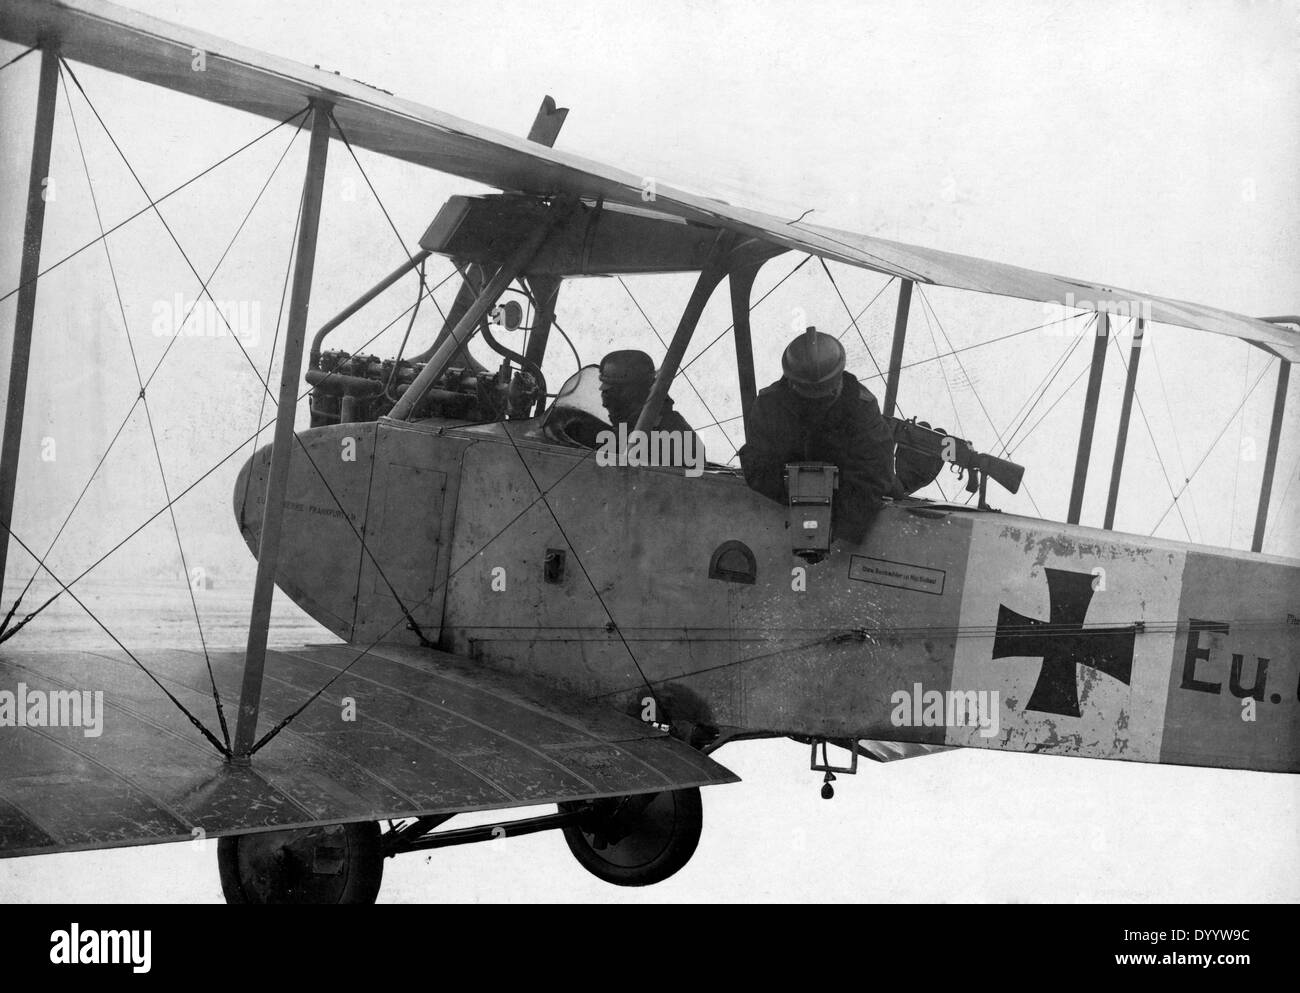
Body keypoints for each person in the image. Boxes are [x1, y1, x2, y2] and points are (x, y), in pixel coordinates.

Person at [738, 328, 899, 542]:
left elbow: (874, 477)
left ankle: (912, 473)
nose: (815, 405)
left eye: (823, 397)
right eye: (807, 397)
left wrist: (837, 526)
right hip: (787, 505)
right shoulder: (770, 405)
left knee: (895, 489)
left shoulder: (861, 409)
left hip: (848, 507)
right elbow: (757, 466)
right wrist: (805, 497)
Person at [597, 349, 696, 436]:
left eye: (615, 391)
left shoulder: (674, 433)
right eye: (606, 392)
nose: (605, 404)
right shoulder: (626, 428)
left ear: (635, 392)